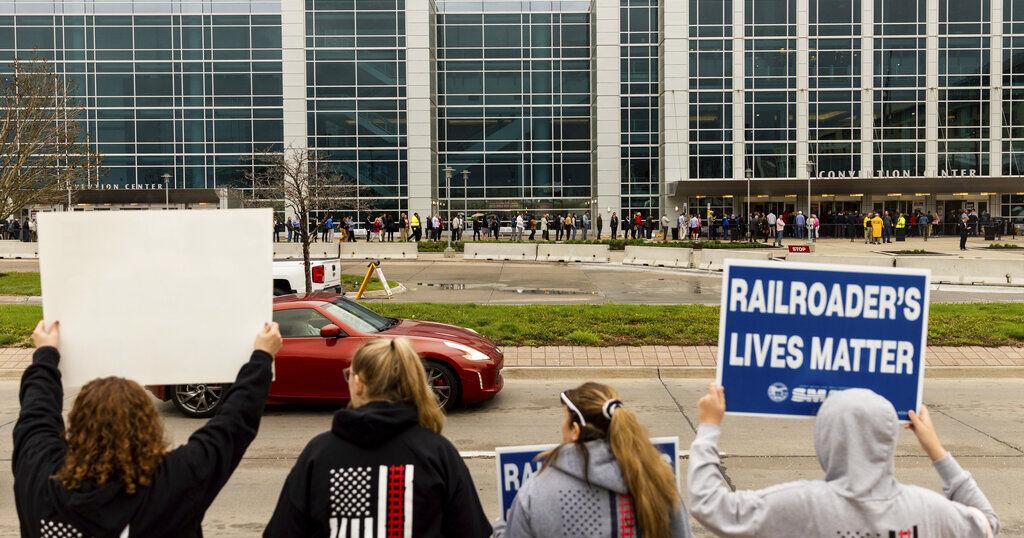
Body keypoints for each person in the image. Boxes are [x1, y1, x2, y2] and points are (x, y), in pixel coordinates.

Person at [15, 320, 283, 538]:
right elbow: (233, 425)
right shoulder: (174, 483)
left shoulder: (41, 479)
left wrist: (45, 355)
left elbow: (36, 414)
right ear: (147, 428)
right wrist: (261, 357)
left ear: (77, 427)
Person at [688, 384, 999, 537]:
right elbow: (987, 522)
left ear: (826, 439)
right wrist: (936, 449)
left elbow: (709, 505)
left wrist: (708, 428)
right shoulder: (929, 510)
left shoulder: (802, 505)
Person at [264, 338, 491, 537]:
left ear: (360, 383)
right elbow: (470, 529)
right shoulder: (438, 453)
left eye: (348, 375)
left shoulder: (319, 454)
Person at [494, 383, 692, 537]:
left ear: (575, 431)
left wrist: (502, 526)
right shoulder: (659, 483)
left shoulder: (535, 493)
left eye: (564, 420)